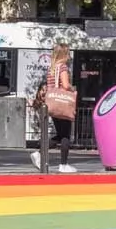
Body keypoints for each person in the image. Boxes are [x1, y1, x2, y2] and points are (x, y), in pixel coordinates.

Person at [30, 42, 77, 173]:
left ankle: (39, 153)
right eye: (68, 53)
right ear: (64, 54)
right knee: (65, 135)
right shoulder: (62, 67)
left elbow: (51, 87)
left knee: (60, 134)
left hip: (53, 104)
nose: (69, 56)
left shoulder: (51, 68)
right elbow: (66, 86)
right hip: (63, 103)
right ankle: (64, 164)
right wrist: (73, 89)